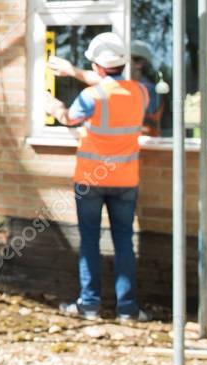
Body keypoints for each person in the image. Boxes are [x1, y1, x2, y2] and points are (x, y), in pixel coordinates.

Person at [44, 32, 150, 322]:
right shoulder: (140, 92)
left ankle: (89, 305)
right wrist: (73, 71)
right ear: (123, 64)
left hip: (91, 180)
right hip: (126, 180)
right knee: (124, 243)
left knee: (90, 241)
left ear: (97, 66)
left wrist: (52, 105)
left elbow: (69, 118)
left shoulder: (91, 96)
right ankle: (127, 310)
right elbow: (112, 85)